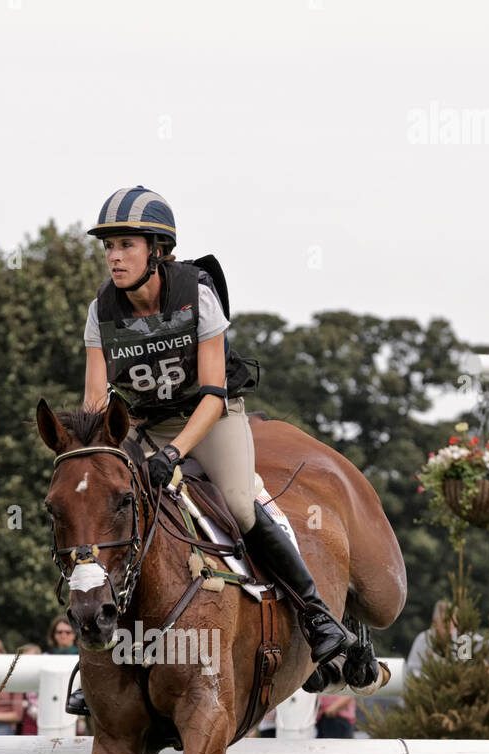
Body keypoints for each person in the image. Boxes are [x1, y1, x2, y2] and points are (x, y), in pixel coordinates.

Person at [77, 185, 355, 724]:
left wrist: (176, 453)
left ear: (157, 249)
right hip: (145, 424)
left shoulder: (195, 293)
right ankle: (95, 657)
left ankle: (318, 617)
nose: (113, 256)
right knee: (100, 513)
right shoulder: (100, 311)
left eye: (126, 244)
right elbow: (95, 404)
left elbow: (212, 392)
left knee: (239, 504)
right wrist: (100, 457)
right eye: (108, 245)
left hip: (209, 419)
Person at [405, 600, 457, 680]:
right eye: (446, 624)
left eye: (455, 624)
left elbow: (467, 668)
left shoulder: (464, 640)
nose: (451, 630)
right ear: (435, 623)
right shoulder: (423, 639)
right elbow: (412, 671)